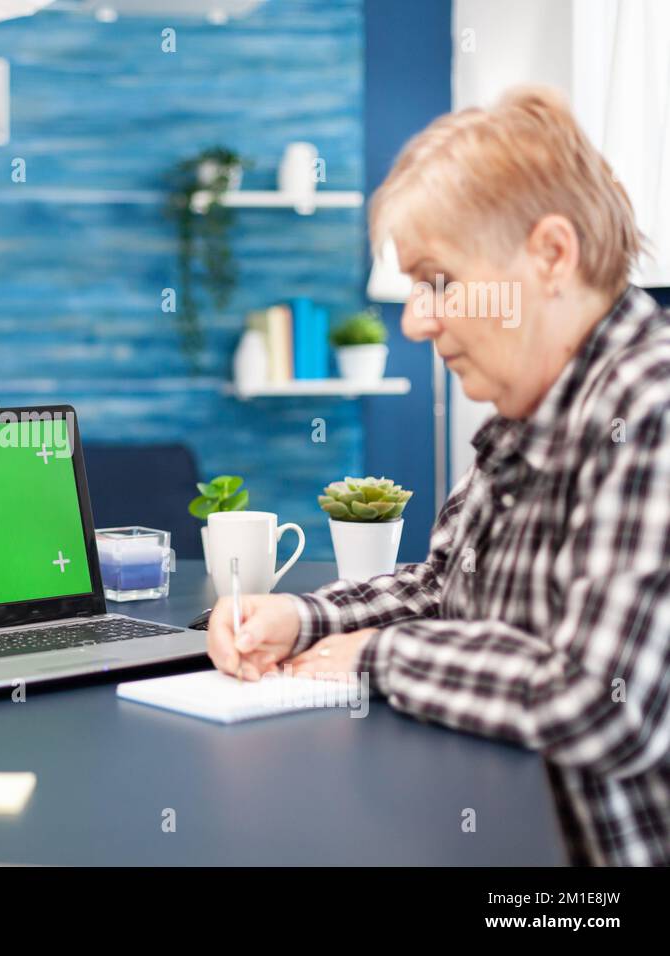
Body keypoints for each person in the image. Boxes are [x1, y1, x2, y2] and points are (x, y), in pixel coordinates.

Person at [208, 87, 670, 866]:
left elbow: (598, 705)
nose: (417, 321)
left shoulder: (649, 408)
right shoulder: (534, 406)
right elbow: (443, 587)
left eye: (438, 283)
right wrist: (301, 615)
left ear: (552, 255)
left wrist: (379, 656)